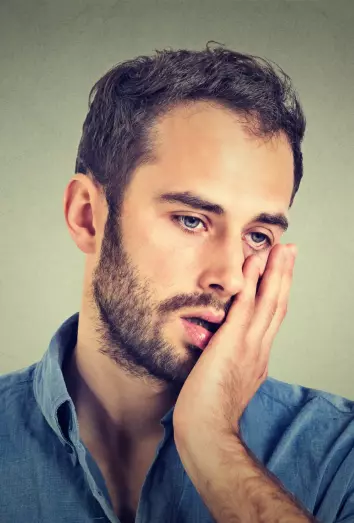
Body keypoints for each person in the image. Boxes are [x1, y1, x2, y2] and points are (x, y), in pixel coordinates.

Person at [1, 45, 354, 523]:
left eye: (258, 236)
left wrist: (212, 443)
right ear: (87, 216)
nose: (229, 276)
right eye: (191, 220)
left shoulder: (340, 455)